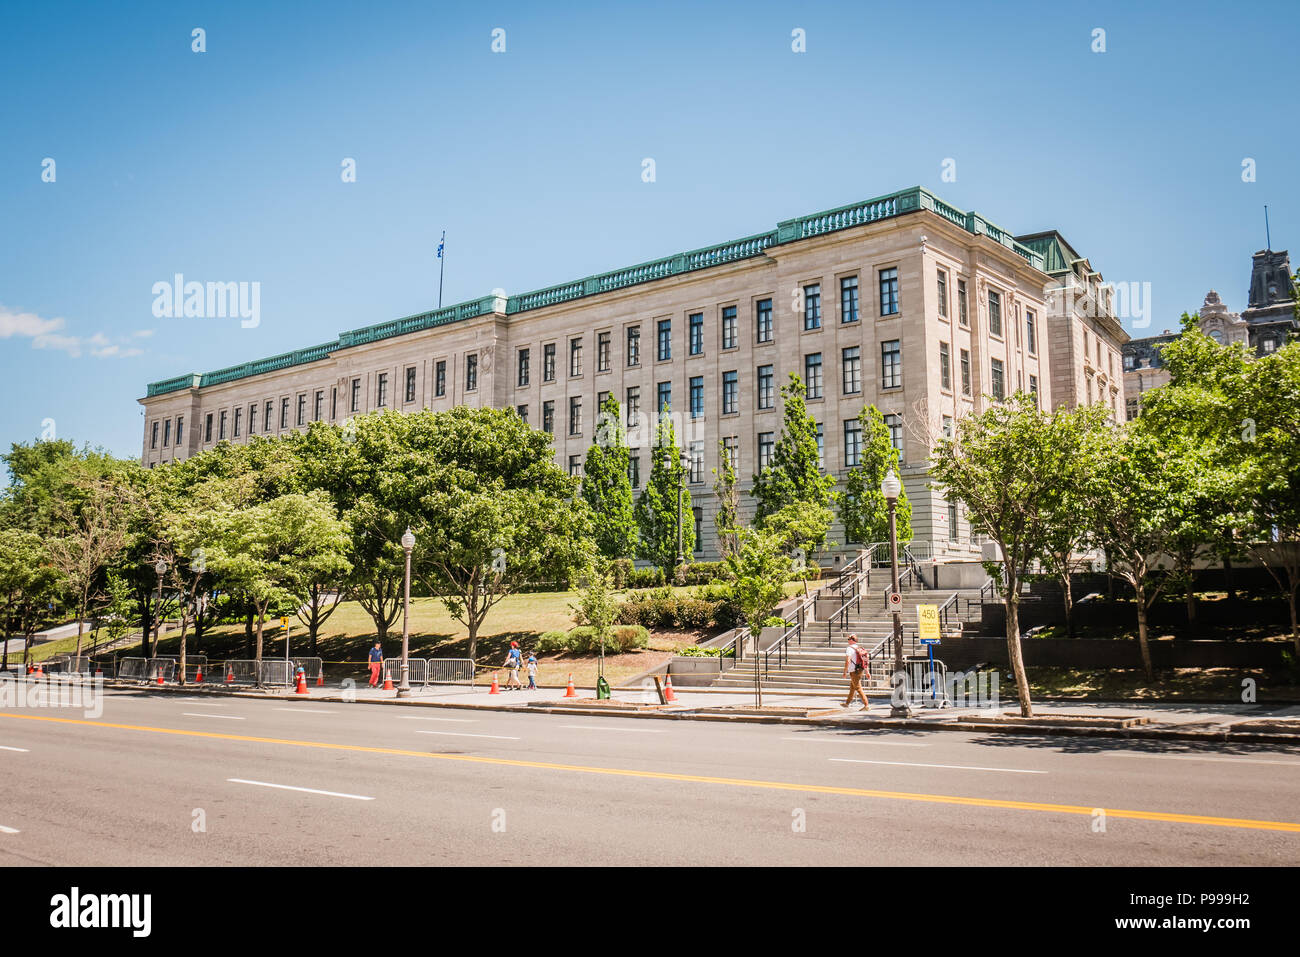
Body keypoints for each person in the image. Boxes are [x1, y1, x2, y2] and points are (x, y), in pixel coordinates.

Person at [842, 634, 870, 710]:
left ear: (851, 640)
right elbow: (865, 661)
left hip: (853, 671)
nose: (847, 640)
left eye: (848, 639)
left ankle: (866, 705)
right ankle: (847, 703)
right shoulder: (859, 648)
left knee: (858, 688)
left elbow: (847, 661)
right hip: (860, 670)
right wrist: (867, 672)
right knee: (852, 687)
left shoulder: (849, 649)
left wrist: (845, 672)